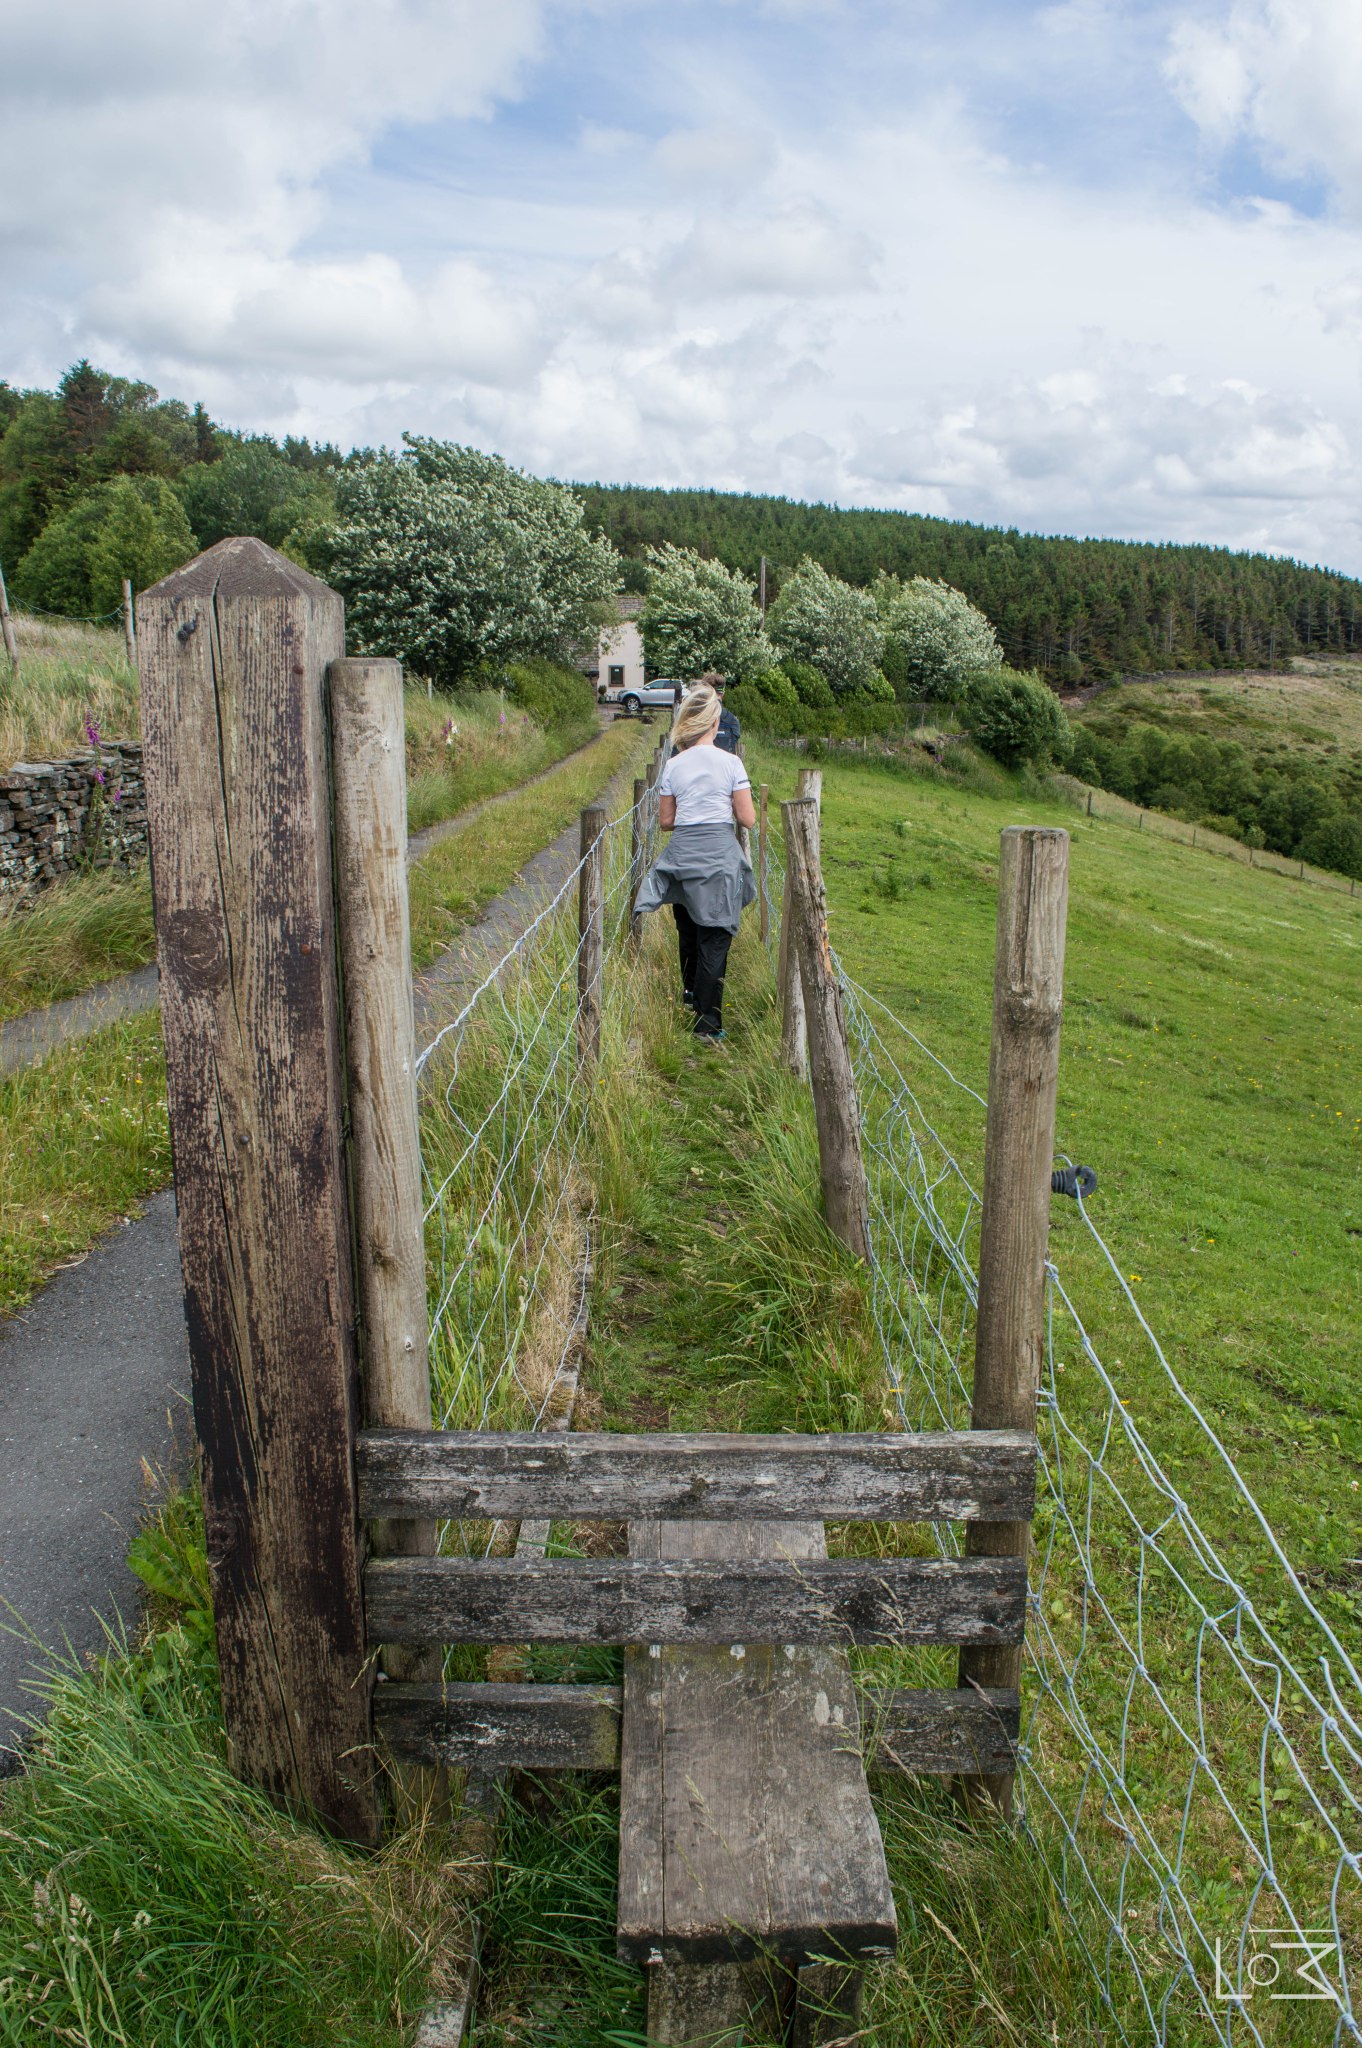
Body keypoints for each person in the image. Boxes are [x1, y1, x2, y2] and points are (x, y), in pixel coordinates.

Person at [634, 681, 757, 1039]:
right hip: (718, 857)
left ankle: (690, 993)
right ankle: (707, 1024)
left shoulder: (673, 765)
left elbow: (666, 821)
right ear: (716, 725)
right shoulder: (732, 763)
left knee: (687, 927)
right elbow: (747, 818)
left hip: (683, 856)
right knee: (715, 937)